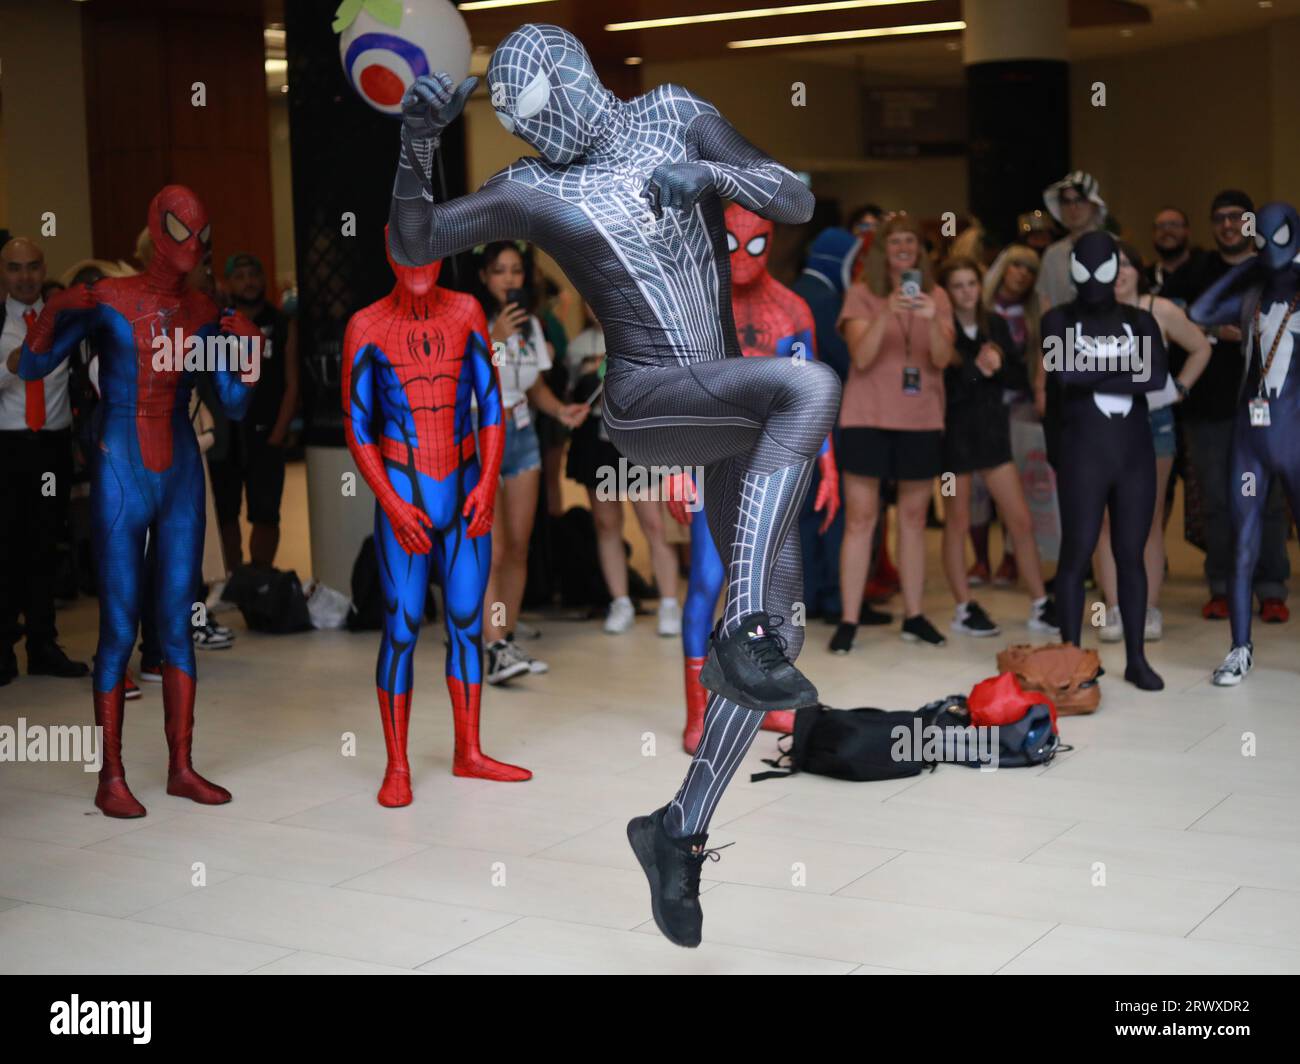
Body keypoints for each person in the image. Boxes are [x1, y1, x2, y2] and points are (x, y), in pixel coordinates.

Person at [387, 24, 830, 948]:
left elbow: (793, 195)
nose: (535, 136)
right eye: (515, 122)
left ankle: (677, 830)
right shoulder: (532, 185)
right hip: (641, 396)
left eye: (538, 113)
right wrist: (417, 141)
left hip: (719, 406)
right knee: (810, 386)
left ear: (577, 79)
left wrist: (711, 178)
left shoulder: (676, 114)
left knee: (785, 628)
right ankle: (738, 634)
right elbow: (419, 237)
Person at [17, 185, 260, 817]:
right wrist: (54, 311)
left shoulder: (205, 309)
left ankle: (180, 767)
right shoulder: (109, 299)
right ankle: (111, 776)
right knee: (120, 626)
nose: (195, 246)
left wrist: (249, 350)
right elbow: (34, 366)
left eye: (203, 235)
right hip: (121, 463)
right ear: (158, 228)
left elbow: (233, 405)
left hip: (178, 465)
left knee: (178, 622)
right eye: (185, 231)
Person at [342, 234, 528, 803]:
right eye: (406, 248)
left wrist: (489, 485)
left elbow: (491, 404)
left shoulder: (467, 310)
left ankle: (468, 751)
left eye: (429, 248)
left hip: (466, 484)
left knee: (467, 622)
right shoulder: (366, 325)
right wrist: (395, 505)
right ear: (389, 253)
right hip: (404, 489)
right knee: (400, 628)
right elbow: (357, 423)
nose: (418, 262)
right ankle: (396, 765)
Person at [669, 203, 839, 753]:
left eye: (756, 245)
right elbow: (677, 391)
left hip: (779, 466)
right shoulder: (700, 305)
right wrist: (676, 465)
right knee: (707, 582)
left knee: (777, 590)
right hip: (716, 459)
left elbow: (814, 395)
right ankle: (699, 712)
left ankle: (763, 700)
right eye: (732, 244)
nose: (742, 257)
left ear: (772, 239)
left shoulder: (791, 311)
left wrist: (828, 466)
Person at [1042, 231, 1168, 692]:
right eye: (1086, 267)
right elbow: (1062, 373)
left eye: (1103, 266)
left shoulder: (1140, 319)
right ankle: (1071, 659)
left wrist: (1092, 374)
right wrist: (1125, 371)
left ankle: (1136, 657)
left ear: (1118, 268)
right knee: (1075, 555)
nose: (1095, 278)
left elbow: (1154, 377)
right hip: (1083, 455)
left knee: (1129, 554)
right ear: (1072, 270)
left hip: (1132, 454)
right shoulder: (1058, 318)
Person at [833, 213, 954, 653]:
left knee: (915, 521)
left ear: (921, 250)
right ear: (883, 251)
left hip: (920, 419)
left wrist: (932, 317)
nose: (905, 247)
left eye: (912, 241)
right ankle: (849, 619)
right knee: (862, 520)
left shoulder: (938, 296)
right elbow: (861, 358)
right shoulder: (862, 294)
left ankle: (915, 615)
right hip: (866, 418)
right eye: (896, 242)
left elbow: (942, 359)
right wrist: (887, 312)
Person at [1190, 202, 1300, 686]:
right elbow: (1199, 311)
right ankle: (1239, 648)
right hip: (1249, 435)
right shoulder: (1252, 291)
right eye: (1264, 238)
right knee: (1242, 544)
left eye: (1279, 238)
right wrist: (1253, 264)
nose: (1270, 248)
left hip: (1295, 436)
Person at [473, 240, 588, 684]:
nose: (508, 279)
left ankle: (505, 639)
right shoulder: (474, 323)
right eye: (499, 271)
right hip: (482, 431)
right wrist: (494, 339)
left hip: (521, 432)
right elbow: (467, 379)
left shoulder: (532, 326)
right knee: (495, 549)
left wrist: (561, 410)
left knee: (520, 546)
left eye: (516, 271)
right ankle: (492, 644)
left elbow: (534, 385)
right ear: (484, 278)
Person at [1092, 242, 1211, 644]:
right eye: (1112, 265)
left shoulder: (1159, 309)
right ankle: (1114, 608)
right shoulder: (1086, 311)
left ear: (1138, 270)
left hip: (1152, 423)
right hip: (1103, 425)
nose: (1120, 271)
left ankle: (1148, 607)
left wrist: (1180, 388)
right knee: (1106, 520)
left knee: (1148, 519)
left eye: (1127, 263)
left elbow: (1201, 346)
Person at [936, 256, 1056, 637]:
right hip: (953, 439)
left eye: (971, 283)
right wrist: (978, 369)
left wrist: (998, 361)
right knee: (957, 523)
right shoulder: (942, 329)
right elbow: (946, 387)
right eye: (958, 285)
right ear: (947, 291)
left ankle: (1040, 603)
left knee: (1019, 520)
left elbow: (1018, 375)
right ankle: (963, 607)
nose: (966, 292)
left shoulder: (995, 324)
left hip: (992, 436)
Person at [0, 237, 90, 685]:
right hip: (7, 447)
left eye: (33, 267)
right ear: (2, 272)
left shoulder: (64, 320)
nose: (25, 277)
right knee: (6, 549)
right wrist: (11, 365)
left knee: (45, 546)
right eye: (15, 268)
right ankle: (1, 648)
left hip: (52, 447)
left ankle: (42, 645)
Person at [564, 306, 682, 636]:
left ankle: (670, 603)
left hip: (638, 439)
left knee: (654, 523)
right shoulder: (578, 346)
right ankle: (620, 602)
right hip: (598, 442)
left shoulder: (644, 336)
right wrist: (589, 372)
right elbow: (569, 394)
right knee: (606, 523)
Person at [207, 252, 298, 570]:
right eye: (240, 275)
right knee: (225, 512)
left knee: (266, 512)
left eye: (253, 274)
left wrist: (279, 432)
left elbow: (292, 382)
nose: (248, 282)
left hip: (265, 433)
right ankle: (233, 579)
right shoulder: (217, 324)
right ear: (228, 282)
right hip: (225, 437)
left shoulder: (281, 322)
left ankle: (259, 578)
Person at [1037, 170, 1107, 308]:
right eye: (1066, 202)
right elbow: (1045, 302)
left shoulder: (1113, 247)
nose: (1073, 208)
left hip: (1106, 328)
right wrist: (1052, 329)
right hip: (1067, 329)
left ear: (1094, 205)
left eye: (1080, 200)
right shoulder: (1053, 254)